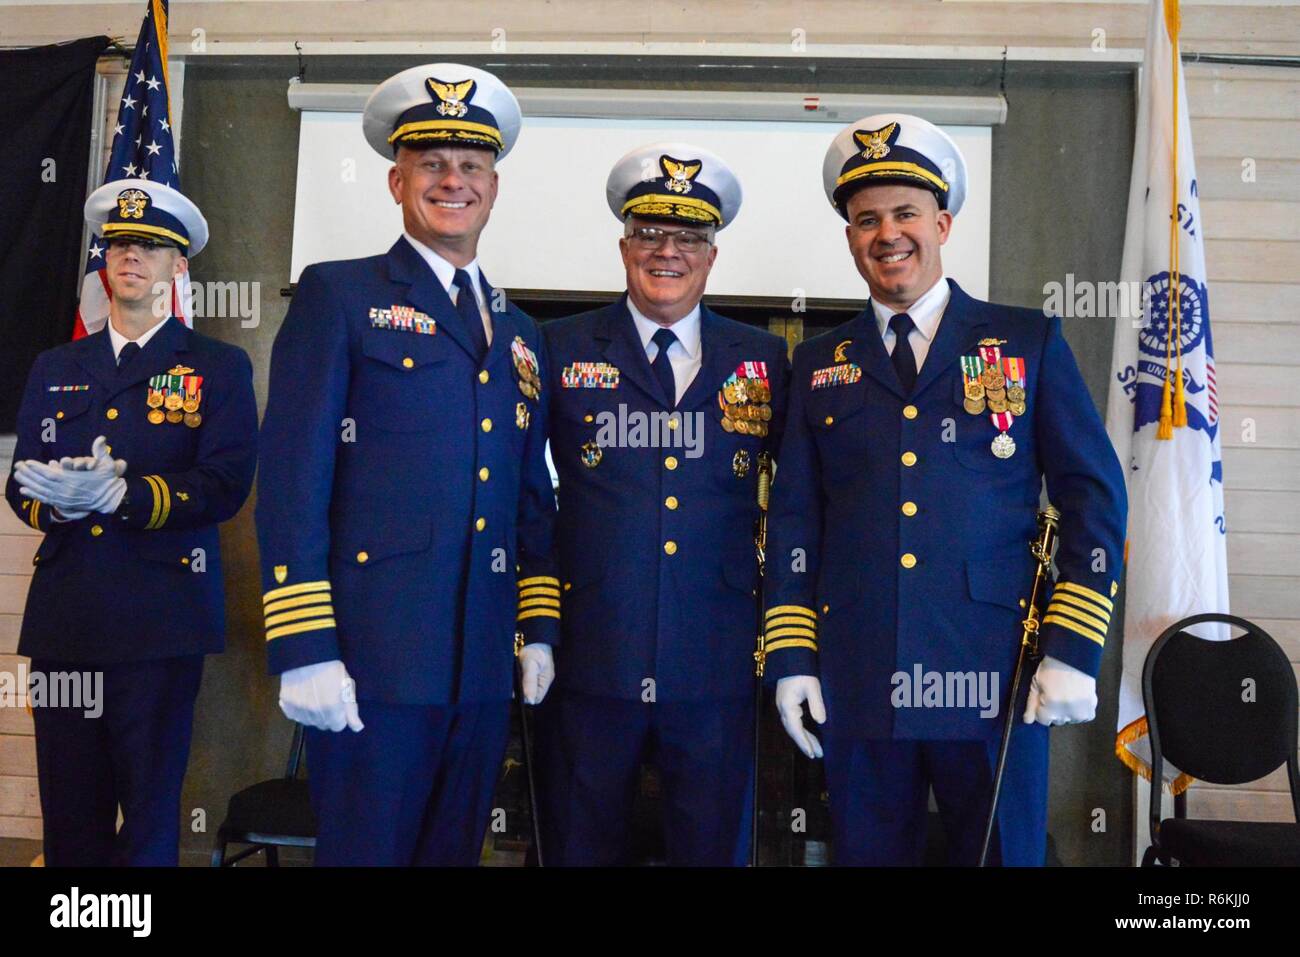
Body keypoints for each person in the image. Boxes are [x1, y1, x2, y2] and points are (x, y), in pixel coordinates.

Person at [762, 114, 1127, 865]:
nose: (887, 233)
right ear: (850, 237)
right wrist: (793, 653)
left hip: (993, 675)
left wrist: (1074, 648)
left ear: (943, 223)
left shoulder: (1026, 342)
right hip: (861, 675)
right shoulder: (820, 361)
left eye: (904, 213)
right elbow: (795, 519)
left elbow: (1095, 498)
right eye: (867, 219)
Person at [255, 63, 559, 865]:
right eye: (432, 164)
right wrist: (303, 643)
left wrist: (539, 628)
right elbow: (292, 478)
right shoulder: (339, 296)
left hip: (482, 665)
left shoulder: (522, 330)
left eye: (471, 166)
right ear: (396, 181)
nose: (452, 181)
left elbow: (530, 496)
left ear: (494, 187)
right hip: (371, 662)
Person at [537, 143, 788, 865]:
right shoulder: (557, 347)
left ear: (712, 257)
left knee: (713, 851)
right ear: (624, 246)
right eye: (649, 233)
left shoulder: (763, 360)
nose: (667, 251)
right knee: (578, 847)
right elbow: (525, 493)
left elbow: (798, 503)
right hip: (590, 657)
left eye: (688, 238)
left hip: (715, 663)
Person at [7, 179, 257, 865]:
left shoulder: (217, 367)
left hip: (161, 620)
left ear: (179, 267)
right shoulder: (56, 365)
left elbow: (225, 484)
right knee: (69, 811)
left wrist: (125, 497)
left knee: (147, 812)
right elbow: (21, 480)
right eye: (118, 243)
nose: (131, 255)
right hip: (67, 617)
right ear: (103, 260)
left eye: (150, 246)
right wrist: (58, 500)